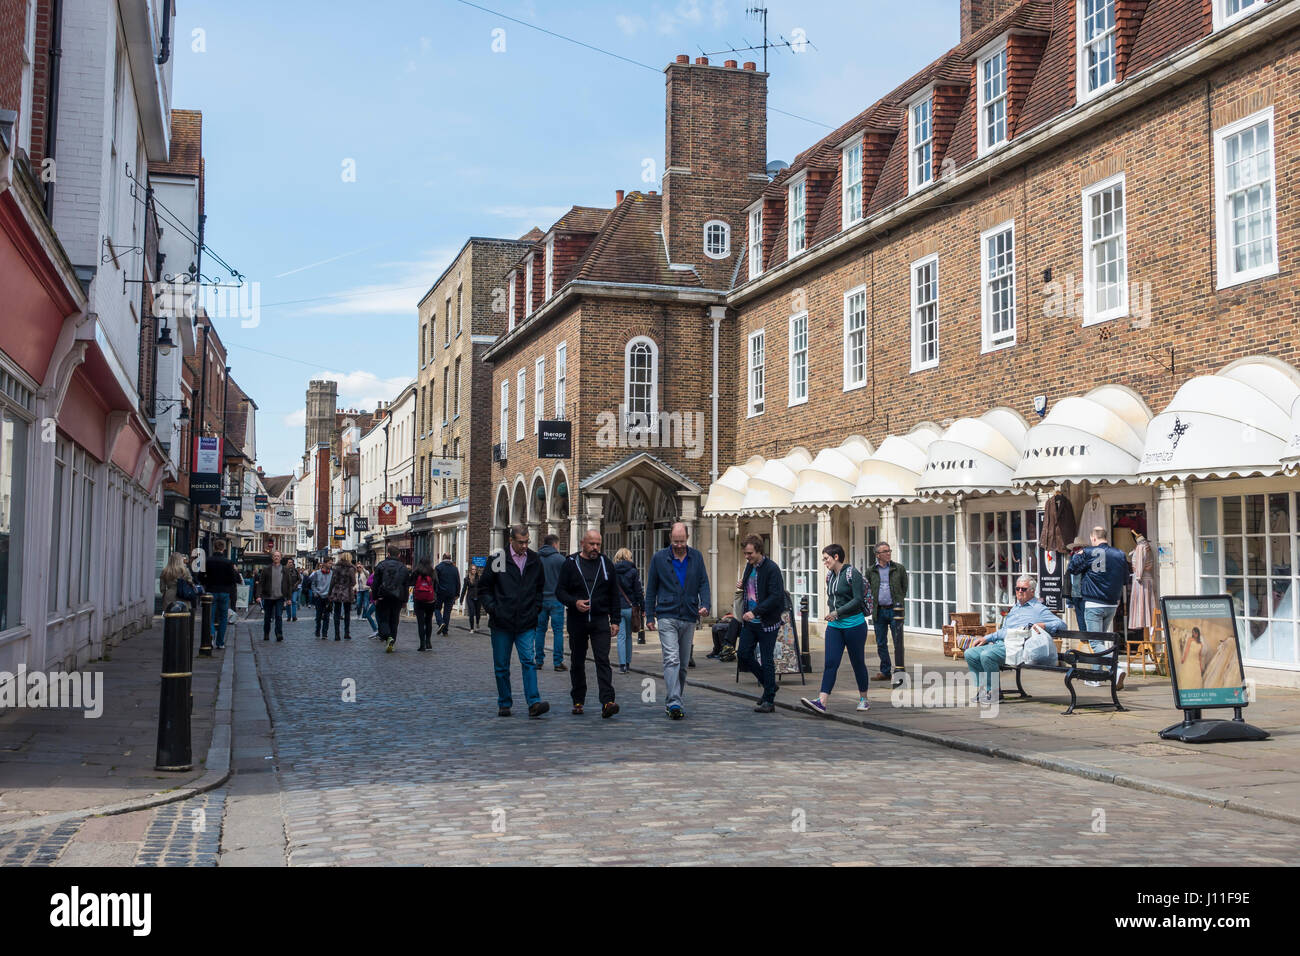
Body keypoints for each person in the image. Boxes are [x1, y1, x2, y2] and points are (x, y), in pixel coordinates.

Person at [477, 523, 550, 718]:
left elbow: (539, 588)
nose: (524, 546)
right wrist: (493, 609)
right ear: (511, 540)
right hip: (501, 622)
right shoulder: (498, 558)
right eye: (521, 542)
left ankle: (534, 702)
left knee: (528, 661)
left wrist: (536, 609)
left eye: (527, 542)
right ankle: (504, 703)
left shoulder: (534, 560)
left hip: (526, 621)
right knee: (501, 665)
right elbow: (484, 588)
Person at [644, 522, 711, 720]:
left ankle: (674, 698)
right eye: (675, 541)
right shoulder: (659, 558)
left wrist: (705, 604)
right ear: (670, 539)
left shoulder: (696, 557)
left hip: (689, 614)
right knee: (671, 659)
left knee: (682, 664)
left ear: (687, 538)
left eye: (682, 541)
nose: (679, 545)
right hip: (666, 614)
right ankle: (674, 701)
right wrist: (649, 616)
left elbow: (704, 583)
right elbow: (651, 589)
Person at [963, 575, 1066, 702]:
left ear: (1032, 591)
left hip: (1020, 648)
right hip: (1003, 644)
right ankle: (984, 689)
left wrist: (1044, 625)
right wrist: (987, 638)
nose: (1019, 592)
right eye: (1017, 589)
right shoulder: (1015, 608)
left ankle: (994, 693)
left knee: (987, 655)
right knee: (970, 653)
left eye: (1023, 589)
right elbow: (1005, 631)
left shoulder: (1039, 609)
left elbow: (1062, 625)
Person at [556, 529, 621, 719]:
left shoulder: (606, 564)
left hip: (600, 619)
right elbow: (560, 591)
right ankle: (578, 699)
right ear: (583, 543)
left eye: (598, 544)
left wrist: (615, 620)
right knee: (577, 661)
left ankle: (607, 701)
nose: (595, 548)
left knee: (603, 659)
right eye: (592, 544)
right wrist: (574, 602)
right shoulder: (570, 563)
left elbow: (614, 594)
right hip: (577, 620)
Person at [801, 544, 872, 716]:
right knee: (830, 663)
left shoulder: (851, 573)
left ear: (836, 557)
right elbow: (833, 598)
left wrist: (837, 612)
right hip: (835, 627)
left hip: (854, 625)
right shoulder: (830, 576)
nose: (824, 562)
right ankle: (822, 701)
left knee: (857, 662)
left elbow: (857, 600)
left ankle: (864, 699)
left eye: (826, 558)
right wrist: (832, 612)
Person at [1067, 526, 1130, 690]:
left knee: (1095, 642)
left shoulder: (1088, 552)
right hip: (1112, 603)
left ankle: (1116, 669)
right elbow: (1125, 580)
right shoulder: (1120, 554)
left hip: (1093, 603)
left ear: (1093, 538)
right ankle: (1095, 677)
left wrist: (1079, 555)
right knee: (1100, 640)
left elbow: (1072, 569)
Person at [736, 534, 785, 713]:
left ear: (759, 551)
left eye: (750, 553)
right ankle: (769, 684)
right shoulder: (749, 567)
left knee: (766, 659)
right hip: (750, 621)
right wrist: (743, 585)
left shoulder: (771, 568)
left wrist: (755, 612)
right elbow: (752, 588)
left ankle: (769, 700)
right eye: (745, 553)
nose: (747, 556)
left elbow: (775, 596)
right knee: (743, 654)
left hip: (766, 622)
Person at [867, 541, 909, 686]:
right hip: (879, 611)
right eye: (885, 551)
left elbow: (904, 588)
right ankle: (885, 671)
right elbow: (868, 589)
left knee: (898, 641)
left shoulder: (899, 569)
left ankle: (899, 671)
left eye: (889, 550)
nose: (888, 553)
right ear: (878, 555)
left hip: (894, 611)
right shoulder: (871, 570)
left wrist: (898, 602)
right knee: (881, 642)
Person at [371, 546, 411, 653]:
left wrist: (374, 597)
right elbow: (405, 585)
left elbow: (375, 583)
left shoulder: (381, 565)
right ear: (398, 555)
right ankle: (392, 640)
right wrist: (405, 600)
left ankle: (388, 637)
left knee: (383, 619)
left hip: (383, 596)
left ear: (388, 554)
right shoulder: (403, 567)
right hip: (397, 597)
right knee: (394, 620)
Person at [536, 534, 567, 670]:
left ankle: (538, 661)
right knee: (558, 632)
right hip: (556, 600)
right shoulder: (560, 559)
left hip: (540, 600)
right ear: (555, 544)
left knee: (539, 631)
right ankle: (557, 662)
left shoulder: (536, 559)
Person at [612, 548, 644, 675]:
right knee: (629, 637)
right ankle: (628, 663)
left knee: (621, 637)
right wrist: (643, 607)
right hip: (631, 608)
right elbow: (638, 591)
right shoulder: (633, 571)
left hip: (617, 608)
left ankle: (622, 665)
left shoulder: (612, 571)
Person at [204, 540, 240, 650]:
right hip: (224, 592)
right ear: (223, 549)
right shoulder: (228, 562)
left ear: (214, 547)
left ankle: (211, 636)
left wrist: (207, 583)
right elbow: (233, 579)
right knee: (223, 617)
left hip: (211, 591)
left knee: (210, 616)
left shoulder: (208, 561)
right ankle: (220, 642)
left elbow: (201, 576)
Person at [254, 550, 295, 642]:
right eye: (275, 556)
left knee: (278, 616)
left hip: (280, 597)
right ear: (272, 558)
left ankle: (279, 633)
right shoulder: (266, 569)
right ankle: (266, 633)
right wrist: (258, 595)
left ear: (280, 558)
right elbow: (261, 583)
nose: (276, 557)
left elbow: (289, 584)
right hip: (268, 597)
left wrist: (289, 598)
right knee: (267, 617)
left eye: (278, 556)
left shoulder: (285, 570)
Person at [410, 557, 439, 651]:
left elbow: (411, 583)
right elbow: (437, 585)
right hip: (430, 600)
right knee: (429, 621)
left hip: (419, 600)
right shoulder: (432, 572)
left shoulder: (416, 572)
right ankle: (428, 642)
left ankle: (422, 644)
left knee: (420, 623)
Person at [329, 552, 357, 641]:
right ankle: (346, 633)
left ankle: (337, 634)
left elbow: (332, 580)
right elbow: (353, 582)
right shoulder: (351, 569)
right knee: (347, 613)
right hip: (347, 591)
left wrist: (330, 592)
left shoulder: (336, 568)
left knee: (336, 613)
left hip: (337, 591)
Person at [433, 553, 461, 635]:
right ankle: (445, 631)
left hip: (440, 592)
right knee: (447, 612)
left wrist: (434, 591)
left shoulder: (438, 568)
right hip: (451, 593)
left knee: (437, 608)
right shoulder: (455, 569)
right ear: (450, 558)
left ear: (443, 558)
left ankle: (440, 622)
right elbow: (458, 582)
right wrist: (457, 593)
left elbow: (435, 581)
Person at [308, 557, 334, 639]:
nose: (331, 565)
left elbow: (333, 585)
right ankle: (317, 630)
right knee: (318, 615)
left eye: (331, 563)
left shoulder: (332, 573)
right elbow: (313, 584)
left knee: (326, 616)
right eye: (329, 563)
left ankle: (324, 633)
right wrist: (315, 592)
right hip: (319, 596)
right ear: (325, 563)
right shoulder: (317, 573)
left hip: (328, 597)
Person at [461, 564, 483, 633]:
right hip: (470, 597)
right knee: (471, 612)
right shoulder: (467, 579)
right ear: (470, 570)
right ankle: (472, 628)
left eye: (475, 569)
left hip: (478, 597)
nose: (474, 571)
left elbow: (482, 587)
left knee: (477, 613)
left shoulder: (479, 577)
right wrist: (461, 599)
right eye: (473, 569)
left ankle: (477, 623)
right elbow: (464, 589)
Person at [284, 558, 302, 622]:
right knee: (288, 603)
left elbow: (300, 579)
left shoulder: (295, 571)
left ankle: (294, 616)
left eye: (291, 562)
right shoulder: (284, 570)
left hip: (294, 589)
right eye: (289, 562)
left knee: (294, 602)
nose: (290, 564)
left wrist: (296, 584)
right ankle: (289, 617)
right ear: (287, 563)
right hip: (286, 590)